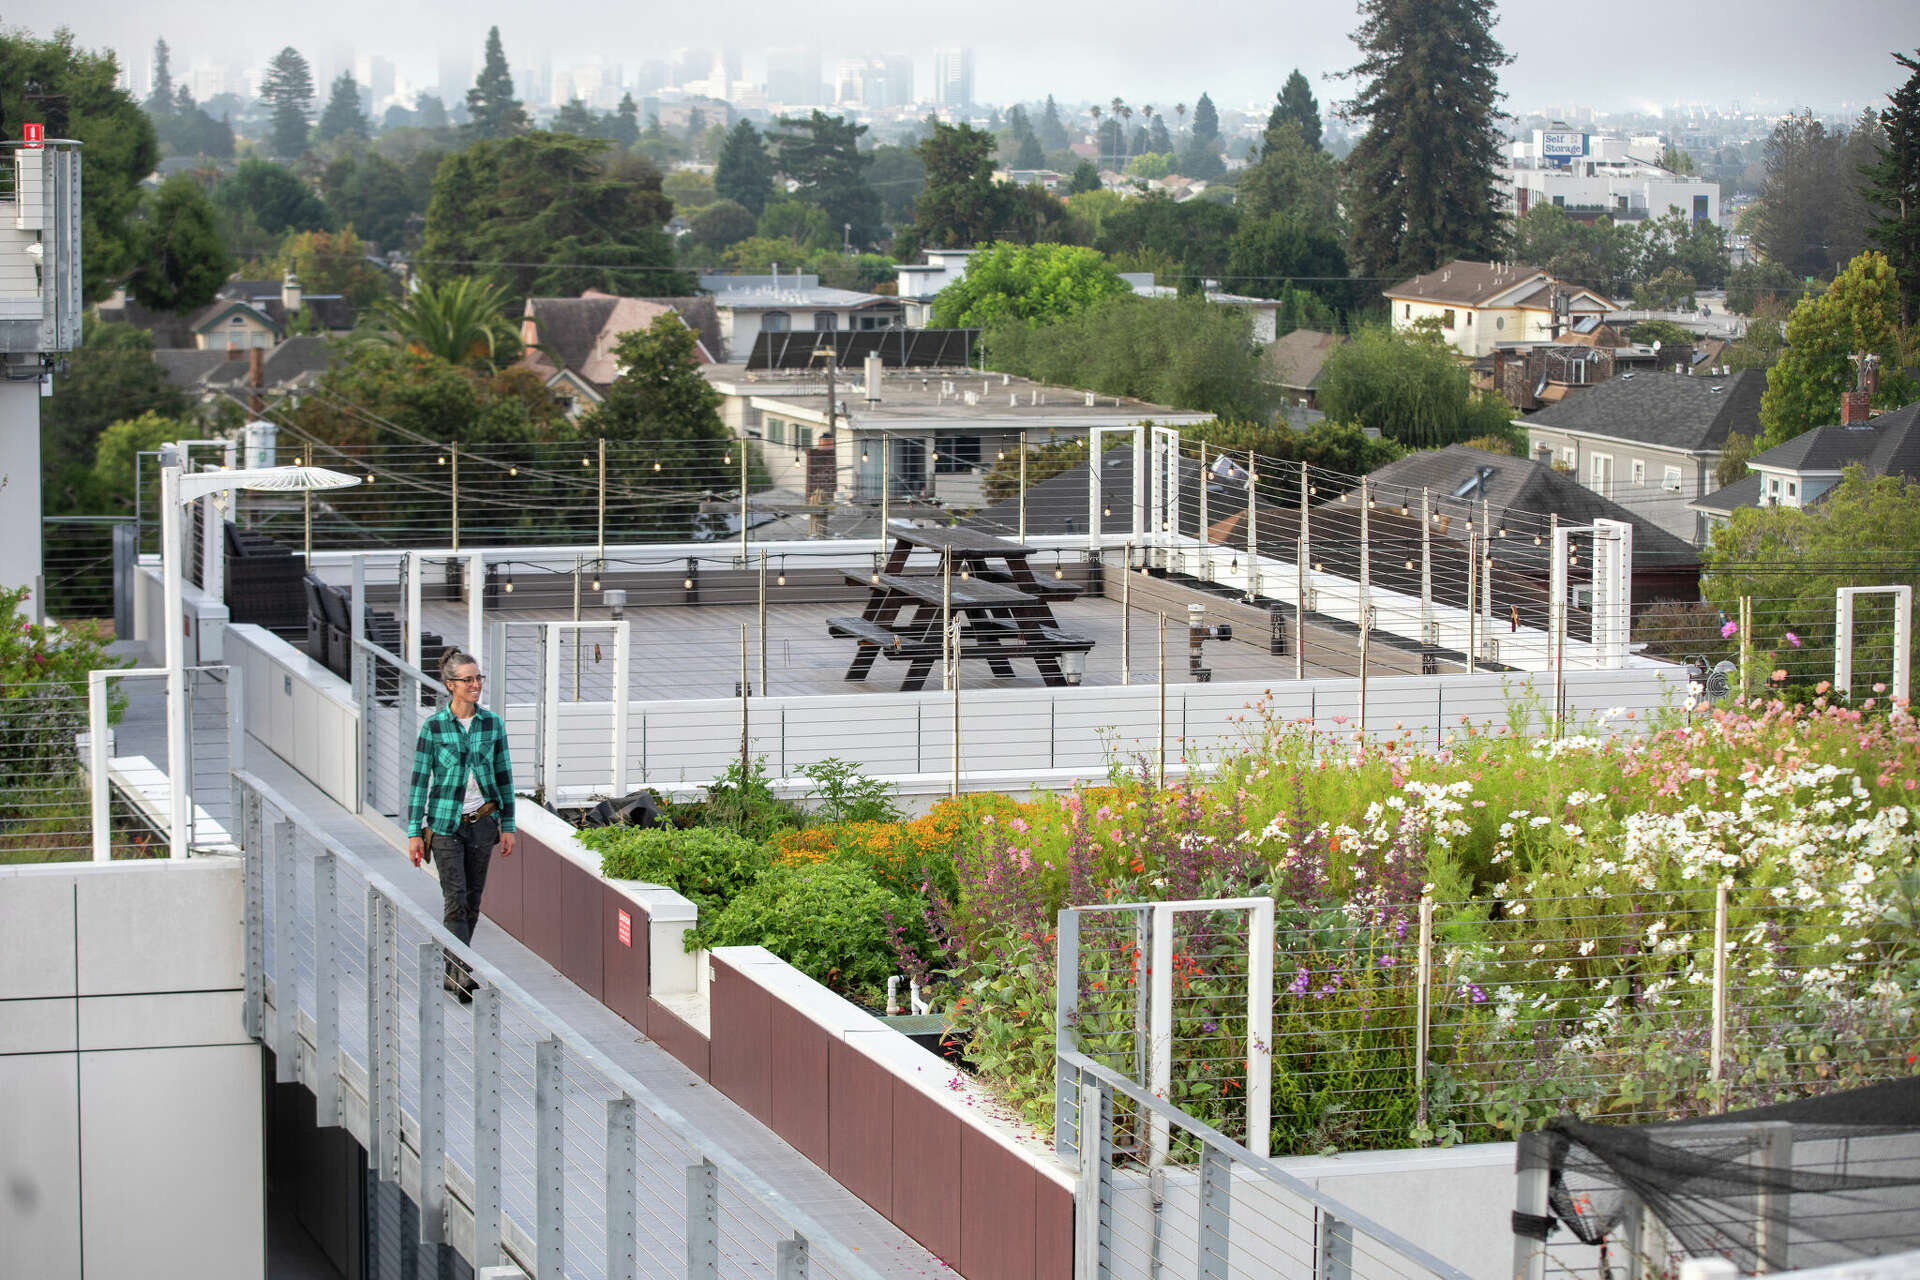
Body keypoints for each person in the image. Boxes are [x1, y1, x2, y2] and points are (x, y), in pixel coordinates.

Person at [406, 649, 516, 998]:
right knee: (454, 898)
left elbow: (503, 775)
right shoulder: (434, 727)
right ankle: (459, 972)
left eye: (478, 678)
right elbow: (419, 780)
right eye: (468, 680)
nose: (475, 685)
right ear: (450, 684)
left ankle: (453, 966)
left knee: (472, 900)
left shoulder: (492, 724)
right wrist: (413, 832)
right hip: (443, 825)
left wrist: (508, 824)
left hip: (483, 823)